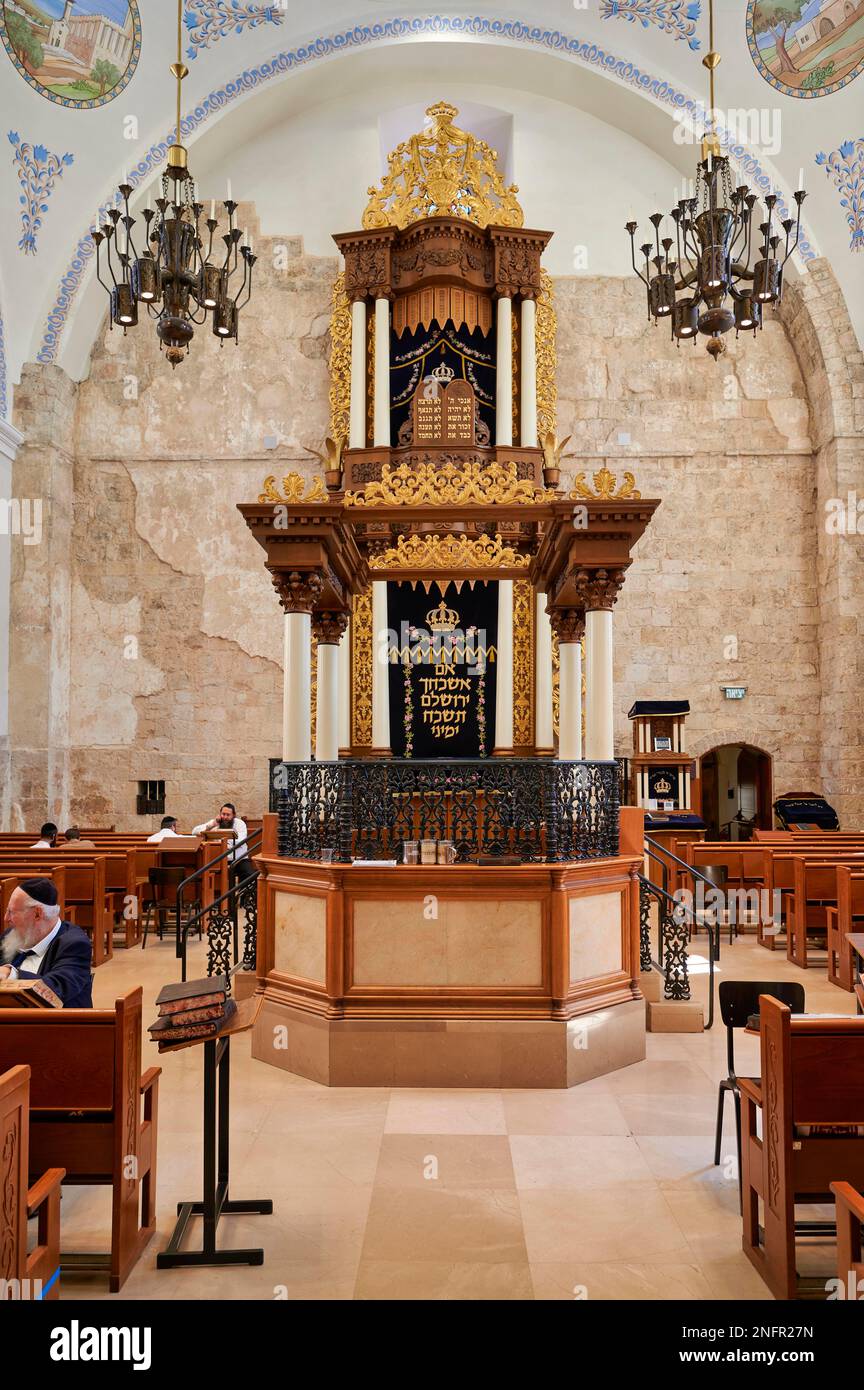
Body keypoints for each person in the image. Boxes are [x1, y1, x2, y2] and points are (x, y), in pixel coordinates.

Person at [0, 878, 93, 1007]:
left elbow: (57, 988)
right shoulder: (11, 936)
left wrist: (11, 974)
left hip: (57, 1023)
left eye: (12, 912)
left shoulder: (75, 944)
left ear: (37, 914)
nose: (6, 918)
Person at [192, 803, 254, 884]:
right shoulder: (215, 823)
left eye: (228, 815)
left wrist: (226, 843)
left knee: (249, 874)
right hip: (221, 860)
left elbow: (241, 840)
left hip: (240, 859)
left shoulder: (240, 823)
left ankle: (243, 896)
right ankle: (227, 896)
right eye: (223, 814)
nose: (225, 817)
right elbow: (194, 831)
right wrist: (212, 824)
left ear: (234, 815)